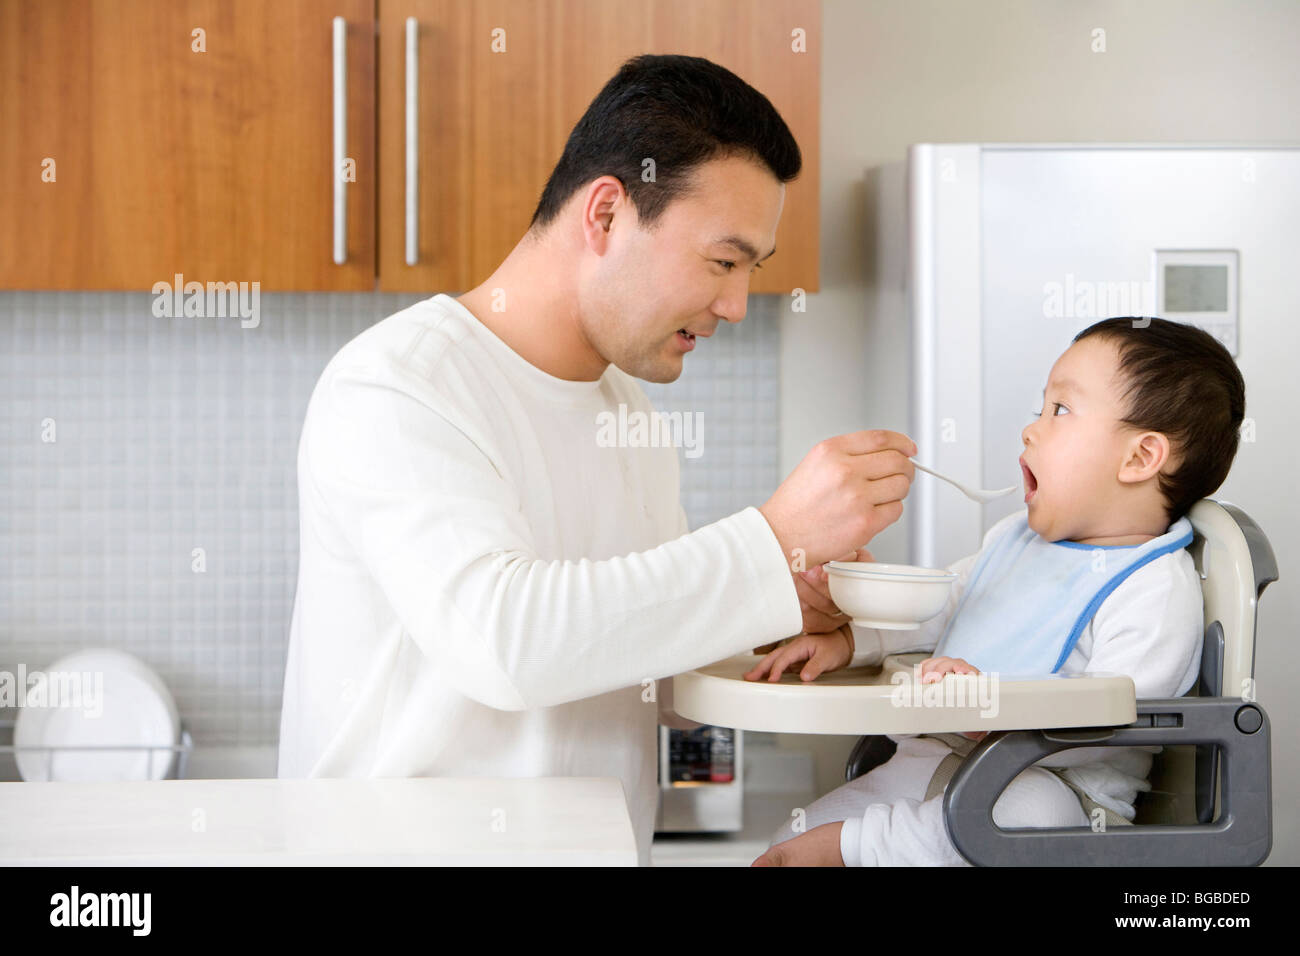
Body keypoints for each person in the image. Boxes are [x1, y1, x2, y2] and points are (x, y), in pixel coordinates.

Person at [276, 53, 917, 867]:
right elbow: (506, 645)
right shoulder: (401, 385)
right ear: (607, 213)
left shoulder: (629, 416)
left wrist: (783, 615)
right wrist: (764, 540)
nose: (735, 305)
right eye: (723, 262)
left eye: (751, 271)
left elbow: (635, 671)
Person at [749, 317, 1246, 866]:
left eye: (1060, 410)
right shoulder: (1012, 541)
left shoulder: (1153, 586)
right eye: (1040, 409)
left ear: (1139, 458)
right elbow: (943, 606)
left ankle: (862, 850)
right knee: (785, 847)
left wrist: (993, 705)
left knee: (1028, 819)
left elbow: (1117, 710)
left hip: (1049, 786)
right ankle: (852, 845)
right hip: (924, 761)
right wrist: (851, 640)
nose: (1031, 430)